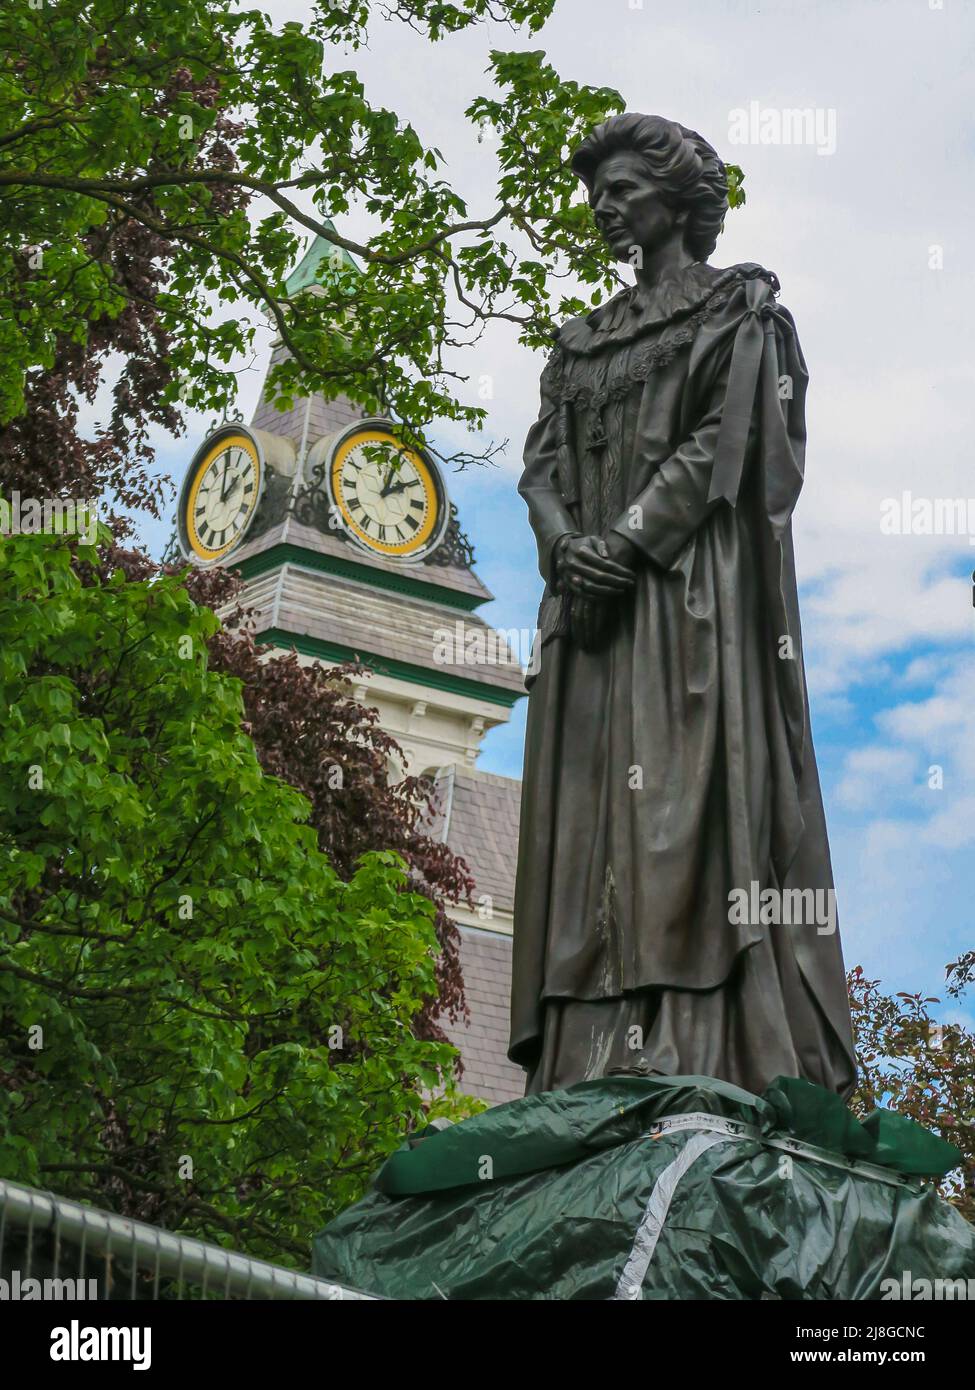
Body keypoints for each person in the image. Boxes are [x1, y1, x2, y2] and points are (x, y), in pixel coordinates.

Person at [509, 113, 856, 1100]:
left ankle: (691, 1050)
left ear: (677, 198)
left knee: (678, 816)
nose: (604, 205)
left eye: (621, 187)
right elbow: (539, 468)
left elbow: (731, 445)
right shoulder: (579, 345)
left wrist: (624, 541)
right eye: (598, 192)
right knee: (584, 839)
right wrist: (566, 548)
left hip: (680, 605)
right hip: (588, 619)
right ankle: (583, 1063)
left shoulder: (737, 312)